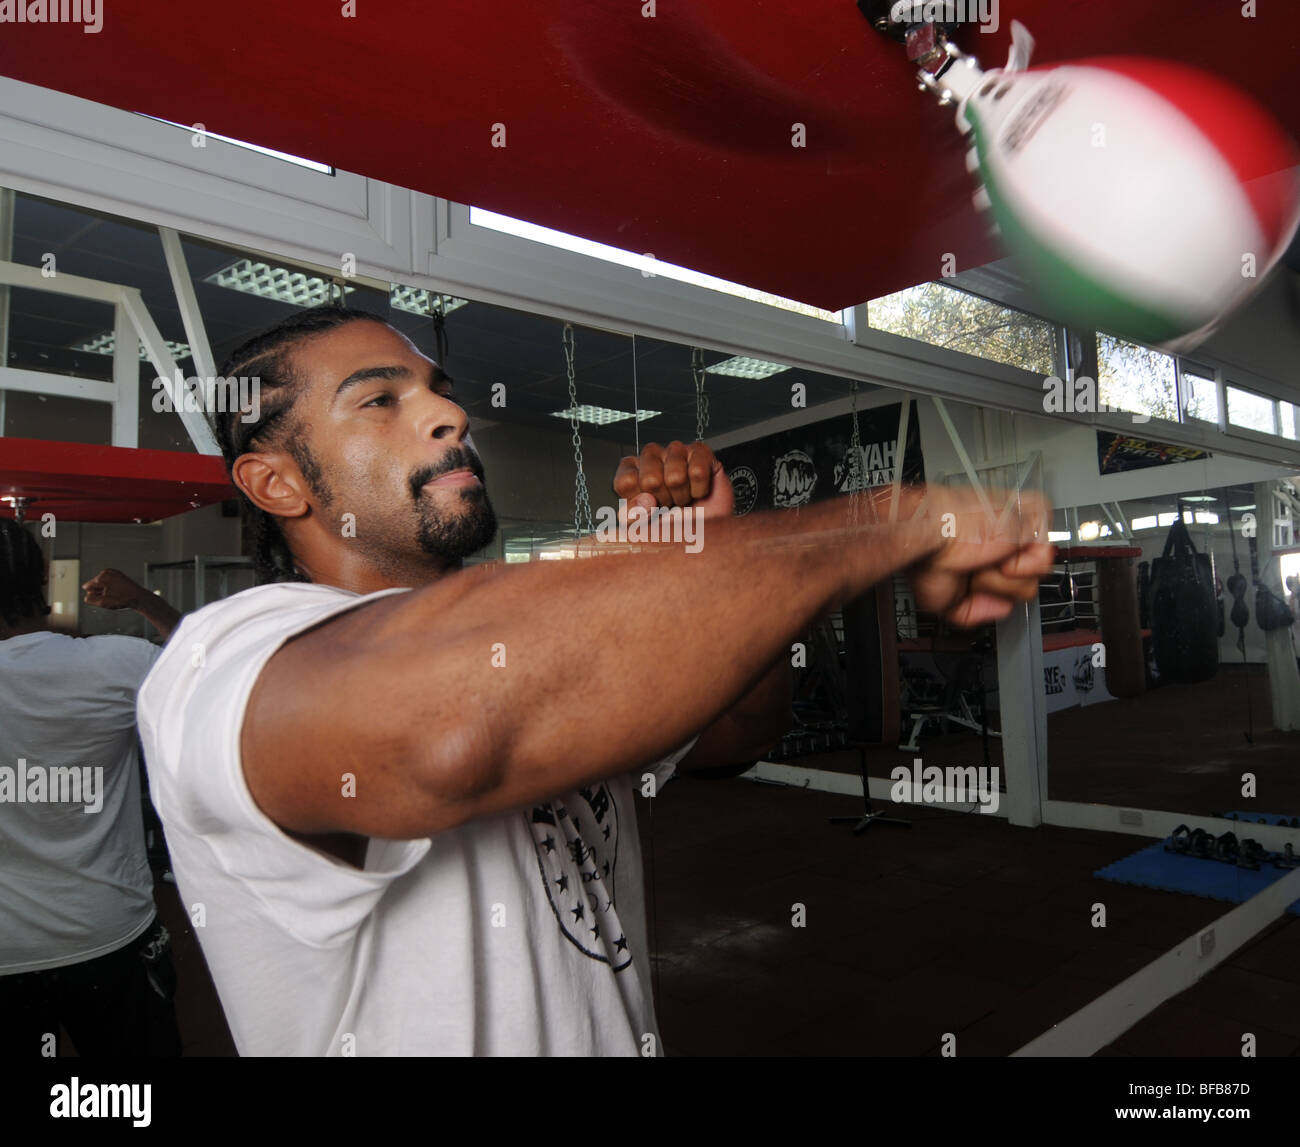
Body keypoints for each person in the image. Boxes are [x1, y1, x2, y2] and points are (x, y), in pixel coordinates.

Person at [137, 305, 1052, 1057]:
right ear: (277, 482)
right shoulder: (222, 660)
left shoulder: (523, 643)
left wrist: (697, 556)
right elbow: (445, 733)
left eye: (439, 392)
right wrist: (889, 521)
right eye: (381, 399)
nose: (449, 415)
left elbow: (740, 733)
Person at [0, 528, 183, 1057]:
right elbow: (213, 667)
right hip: (106, 933)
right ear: (43, 577)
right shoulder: (118, 663)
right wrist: (143, 600)